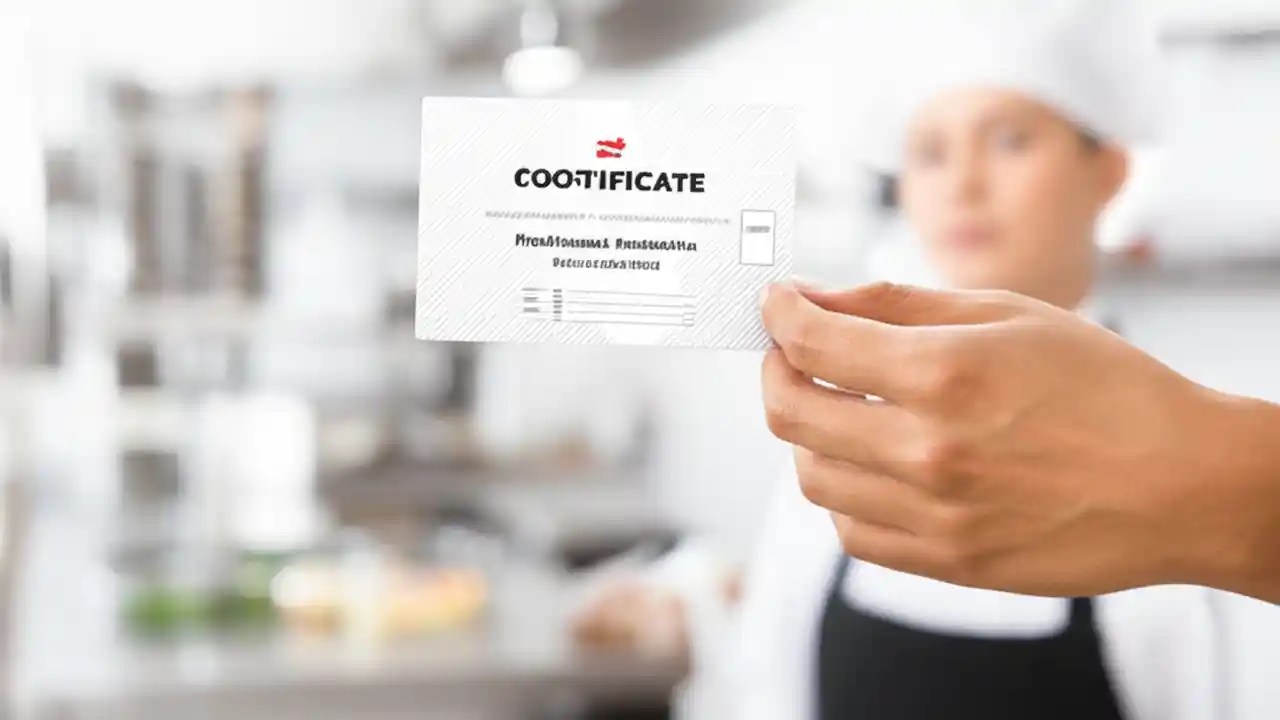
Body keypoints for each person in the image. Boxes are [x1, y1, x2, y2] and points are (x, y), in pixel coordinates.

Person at [581, 2, 1279, 719]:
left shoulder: (1176, 457)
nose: (962, 184)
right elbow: (771, 678)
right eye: (930, 153)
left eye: (1010, 140)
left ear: (1108, 171)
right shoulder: (849, 423)